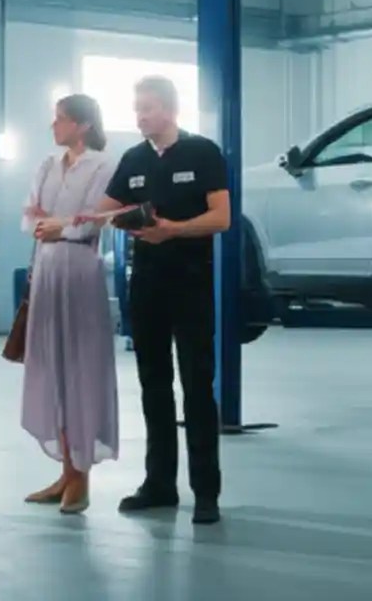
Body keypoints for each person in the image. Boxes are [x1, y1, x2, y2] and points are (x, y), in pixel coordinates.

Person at [93, 74, 230, 525]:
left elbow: (222, 218)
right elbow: (106, 209)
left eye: (147, 107)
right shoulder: (133, 159)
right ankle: (159, 484)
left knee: (196, 384)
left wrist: (172, 229)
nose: (140, 115)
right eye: (137, 108)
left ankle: (205, 491)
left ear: (170, 110)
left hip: (190, 284)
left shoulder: (203, 152)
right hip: (146, 285)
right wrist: (79, 218)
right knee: (154, 384)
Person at [19, 94, 120, 515]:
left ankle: (82, 475)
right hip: (46, 272)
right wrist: (58, 224)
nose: (53, 126)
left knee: (80, 368)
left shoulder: (104, 165)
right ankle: (65, 469)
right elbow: (29, 218)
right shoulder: (46, 165)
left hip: (80, 272)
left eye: (60, 119)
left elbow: (94, 220)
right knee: (53, 367)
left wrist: (61, 225)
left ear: (80, 125)